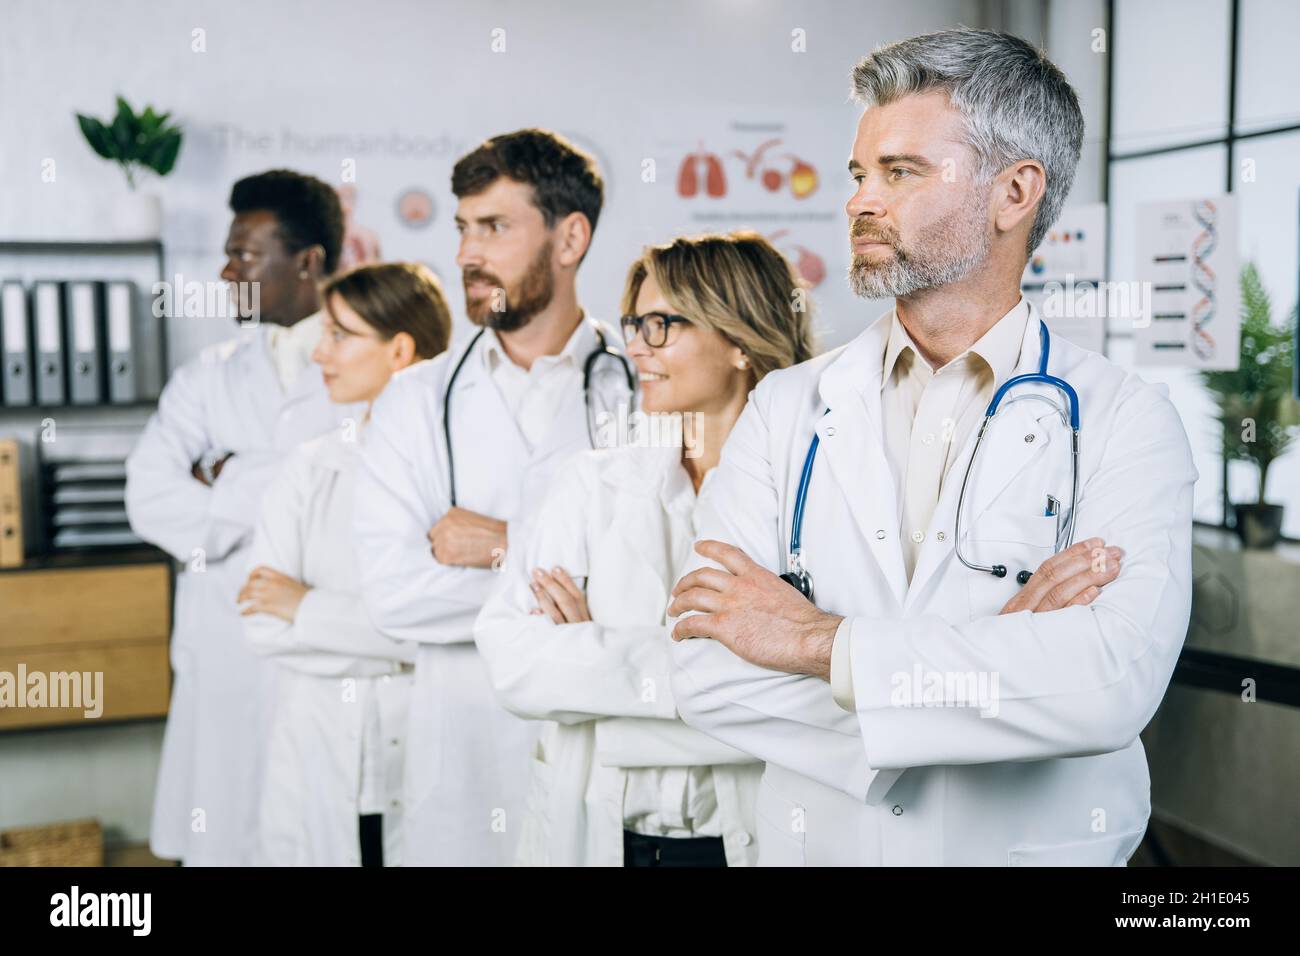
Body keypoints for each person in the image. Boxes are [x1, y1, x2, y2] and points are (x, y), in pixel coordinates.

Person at [667, 29, 1198, 866]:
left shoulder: (1129, 420)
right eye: (859, 174)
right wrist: (1002, 663)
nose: (857, 201)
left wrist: (813, 643)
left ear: (1014, 192)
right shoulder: (786, 407)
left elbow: (1107, 684)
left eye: (900, 172)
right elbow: (705, 669)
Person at [475, 232, 813, 867]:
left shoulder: (817, 490)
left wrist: (592, 670)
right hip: (601, 835)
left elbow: (819, 698)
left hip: (753, 840)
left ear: (739, 339)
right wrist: (722, 671)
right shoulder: (592, 481)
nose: (634, 346)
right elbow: (513, 662)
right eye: (634, 324)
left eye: (660, 325)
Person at [353, 129, 637, 866]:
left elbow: (660, 590)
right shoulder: (414, 400)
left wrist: (505, 544)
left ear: (570, 237)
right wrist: (571, 584)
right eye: (462, 229)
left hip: (604, 756)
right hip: (463, 767)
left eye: (494, 227)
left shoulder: (643, 385)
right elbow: (393, 597)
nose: (466, 255)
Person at [125, 169, 352, 865]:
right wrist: (290, 480)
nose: (226, 271)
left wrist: (230, 472)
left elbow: (367, 500)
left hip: (328, 641)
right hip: (224, 642)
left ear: (309, 262)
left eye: (245, 255)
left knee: (322, 835)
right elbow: (149, 497)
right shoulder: (206, 375)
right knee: (223, 834)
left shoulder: (379, 364)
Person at [237, 263, 452, 866]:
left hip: (427, 747)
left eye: (339, 335)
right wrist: (406, 637)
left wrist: (305, 607)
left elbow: (475, 630)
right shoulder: (310, 468)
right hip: (321, 753)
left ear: (400, 350)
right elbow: (261, 622)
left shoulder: (461, 475)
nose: (319, 355)